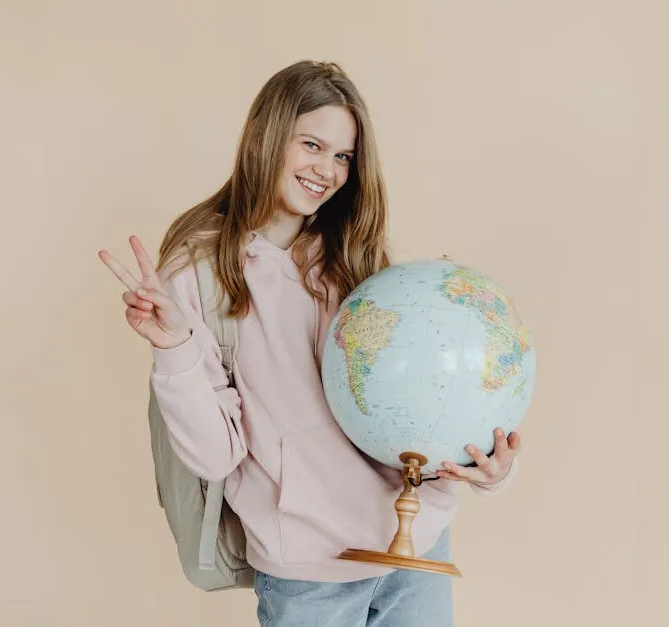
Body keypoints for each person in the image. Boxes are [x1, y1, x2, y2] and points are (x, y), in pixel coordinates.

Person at [98, 60, 523, 626]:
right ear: (266, 136)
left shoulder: (356, 254)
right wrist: (174, 347)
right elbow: (215, 454)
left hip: (416, 553)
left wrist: (492, 469)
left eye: (343, 156)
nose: (328, 170)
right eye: (313, 145)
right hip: (310, 576)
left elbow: (416, 405)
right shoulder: (199, 269)